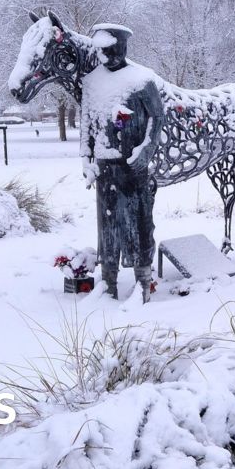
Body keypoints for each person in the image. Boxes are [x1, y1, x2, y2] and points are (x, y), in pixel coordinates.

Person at [82, 24, 164, 303]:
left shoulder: (142, 79)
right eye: (103, 51)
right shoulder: (91, 81)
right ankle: (108, 282)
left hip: (132, 168)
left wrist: (145, 151)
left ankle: (143, 280)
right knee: (107, 228)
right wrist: (86, 159)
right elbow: (86, 125)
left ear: (124, 47)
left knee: (139, 224)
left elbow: (157, 118)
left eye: (112, 50)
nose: (108, 56)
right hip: (104, 169)